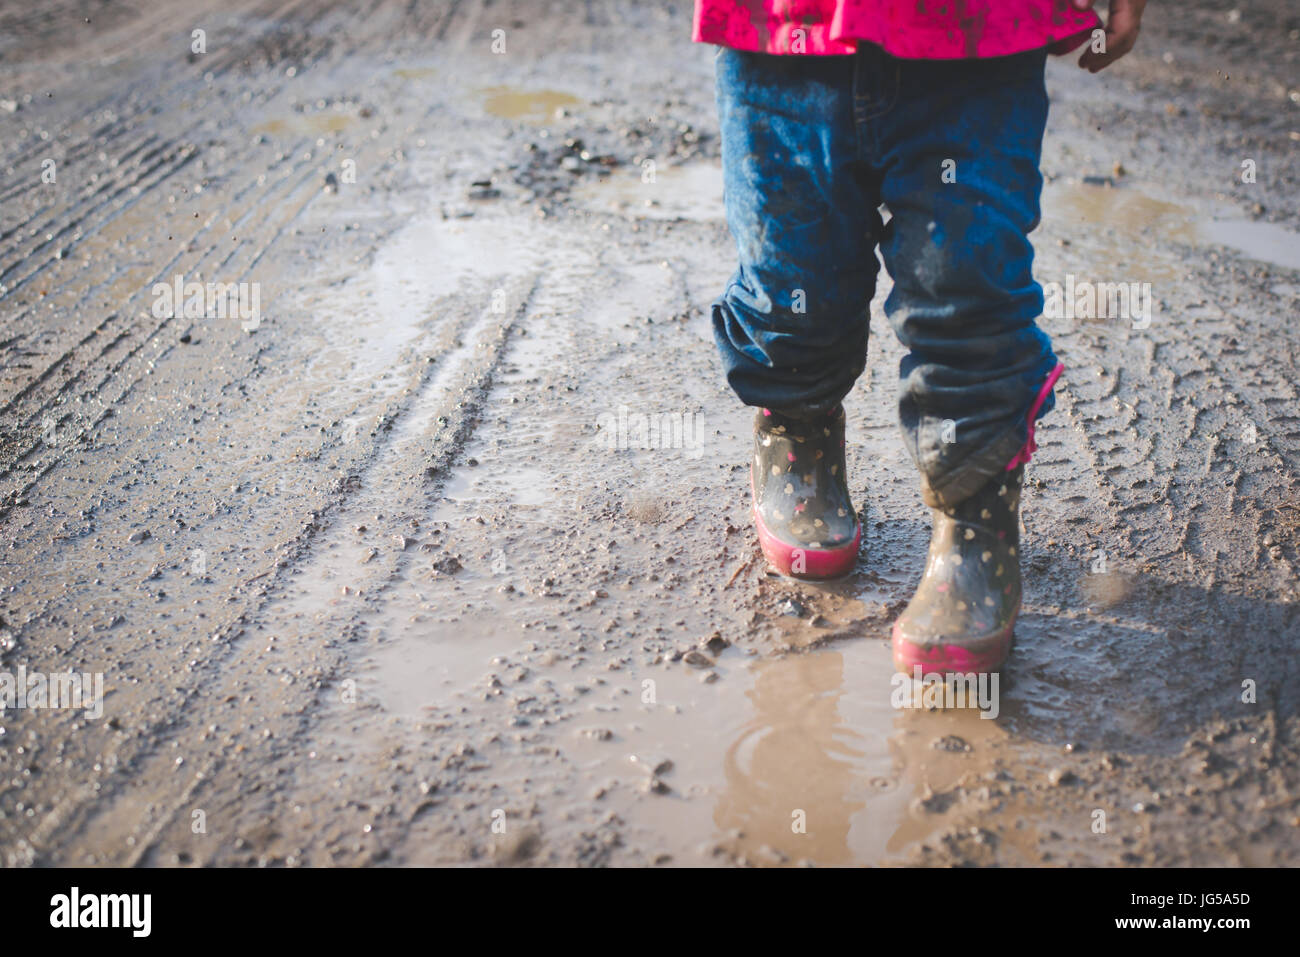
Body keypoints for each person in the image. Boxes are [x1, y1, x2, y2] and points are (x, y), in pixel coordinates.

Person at [697, 0, 1147, 672]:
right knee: (793, 273)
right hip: (785, 30)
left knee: (965, 280)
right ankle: (798, 424)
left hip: (977, 31)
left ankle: (975, 520)